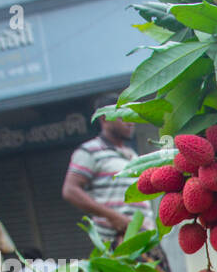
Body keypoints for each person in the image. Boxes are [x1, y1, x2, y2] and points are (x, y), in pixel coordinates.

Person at [62, 93, 154, 242]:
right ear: (104, 118)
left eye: (132, 117)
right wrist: (113, 217)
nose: (131, 123)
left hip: (145, 237)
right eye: (123, 116)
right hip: (116, 242)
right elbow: (70, 191)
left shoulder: (132, 155)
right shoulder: (90, 151)